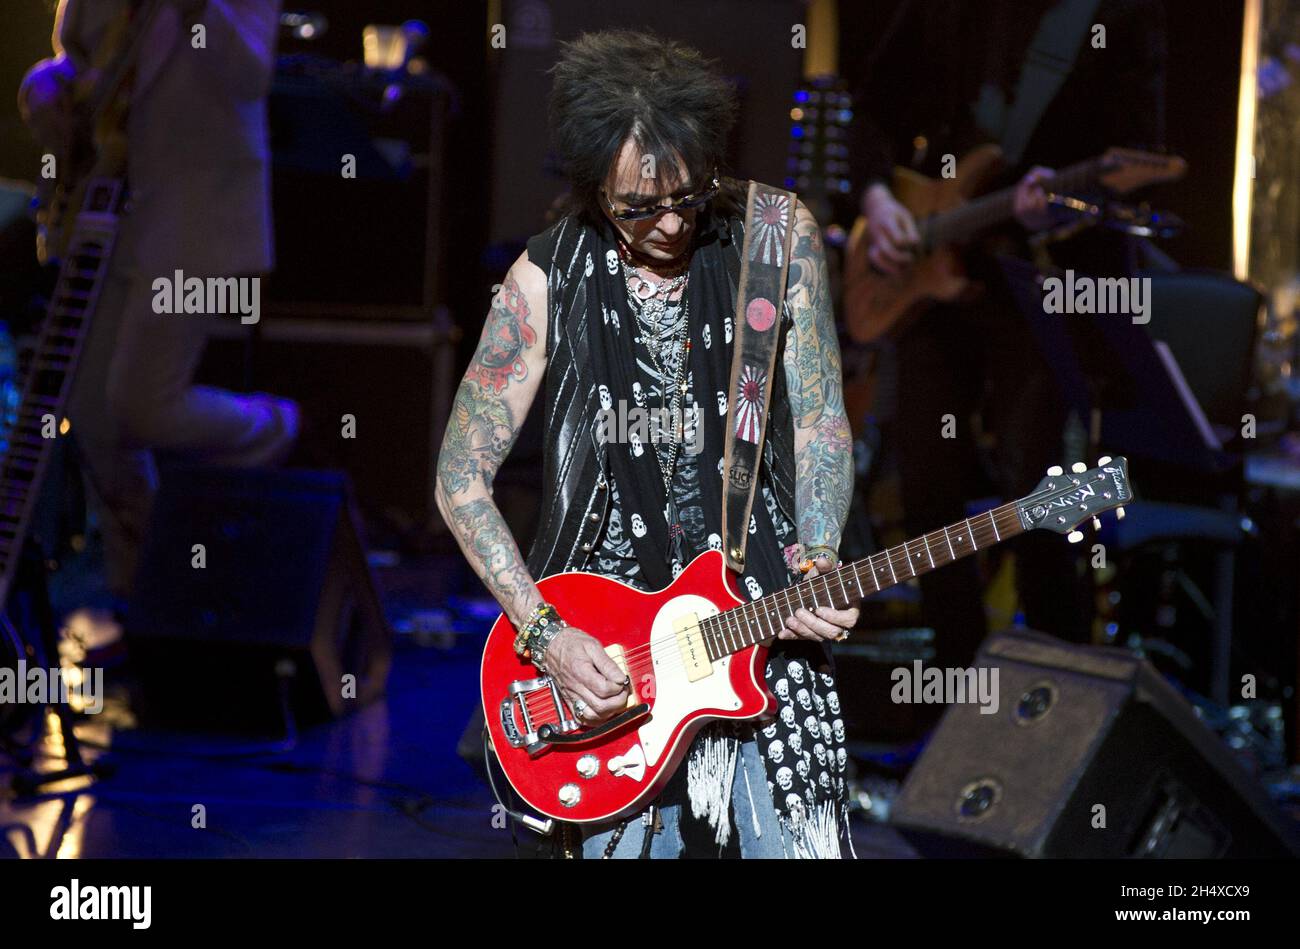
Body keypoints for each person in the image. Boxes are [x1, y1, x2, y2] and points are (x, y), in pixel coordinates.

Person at [436, 30, 858, 858]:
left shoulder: (776, 236)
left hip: (758, 620)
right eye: (638, 206)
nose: (669, 221)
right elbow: (460, 476)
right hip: (609, 655)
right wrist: (545, 632)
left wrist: (819, 551)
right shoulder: (544, 276)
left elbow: (818, 421)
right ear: (593, 189)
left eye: (688, 196)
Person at [841, 0, 1167, 673]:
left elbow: (1138, 157)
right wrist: (879, 199)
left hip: (1039, 285)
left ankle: (1058, 701)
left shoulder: (1111, 14)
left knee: (1041, 495)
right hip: (935, 277)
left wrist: (1062, 206)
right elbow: (871, 107)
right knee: (927, 487)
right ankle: (959, 693)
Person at [18, 0, 298, 599]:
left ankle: (272, 430)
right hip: (108, 219)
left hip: (200, 221)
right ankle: (145, 588)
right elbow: (76, 63)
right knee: (91, 416)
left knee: (142, 404)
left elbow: (251, 75)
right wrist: (46, 85)